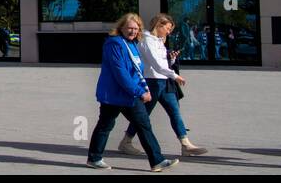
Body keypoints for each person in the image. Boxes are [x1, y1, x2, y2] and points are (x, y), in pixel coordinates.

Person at [86, 13, 178, 171]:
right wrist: (139, 92)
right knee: (105, 125)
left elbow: (137, 71)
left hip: (129, 95)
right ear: (121, 27)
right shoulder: (114, 44)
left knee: (143, 124)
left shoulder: (133, 44)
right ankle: (94, 158)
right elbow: (120, 73)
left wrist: (144, 88)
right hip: (114, 95)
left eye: (136, 28)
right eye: (129, 28)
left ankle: (157, 161)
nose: (133, 31)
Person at [116, 13, 208, 158]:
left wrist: (171, 60)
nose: (169, 31)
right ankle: (126, 141)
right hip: (151, 82)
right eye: (167, 28)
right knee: (142, 116)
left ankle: (186, 145)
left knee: (175, 112)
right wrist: (175, 76)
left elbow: (163, 64)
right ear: (159, 25)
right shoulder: (147, 41)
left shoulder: (159, 41)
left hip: (164, 82)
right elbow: (156, 65)